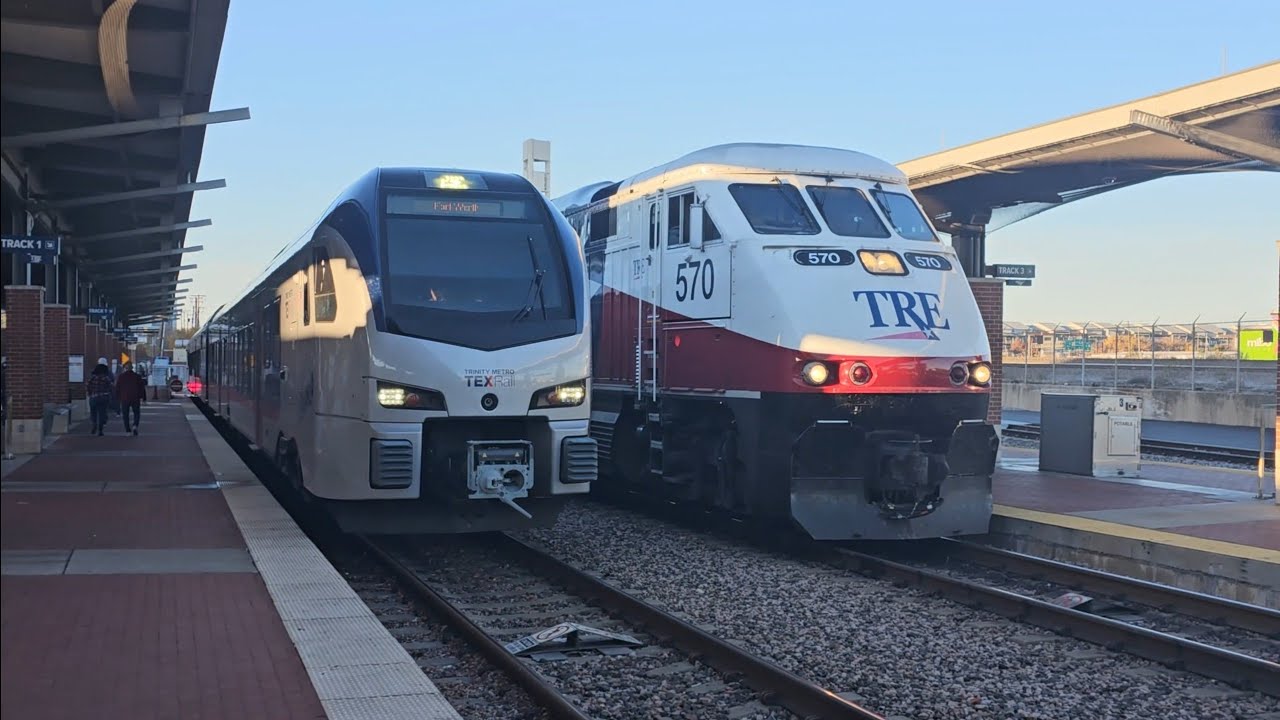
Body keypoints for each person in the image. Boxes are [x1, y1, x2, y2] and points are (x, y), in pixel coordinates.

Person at [115, 361, 146, 435]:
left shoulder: (121, 377)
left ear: (125, 368)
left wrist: (117, 397)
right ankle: (135, 425)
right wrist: (143, 398)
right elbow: (142, 388)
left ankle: (128, 430)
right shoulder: (137, 376)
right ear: (132, 368)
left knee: (125, 414)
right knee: (136, 413)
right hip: (135, 397)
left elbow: (117, 388)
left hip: (125, 398)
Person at [86, 360, 114, 436]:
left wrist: (90, 393)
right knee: (102, 413)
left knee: (93, 413)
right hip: (103, 397)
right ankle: (100, 430)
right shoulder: (106, 378)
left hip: (93, 397)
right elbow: (111, 386)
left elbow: (88, 386)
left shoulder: (92, 378)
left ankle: (94, 424)